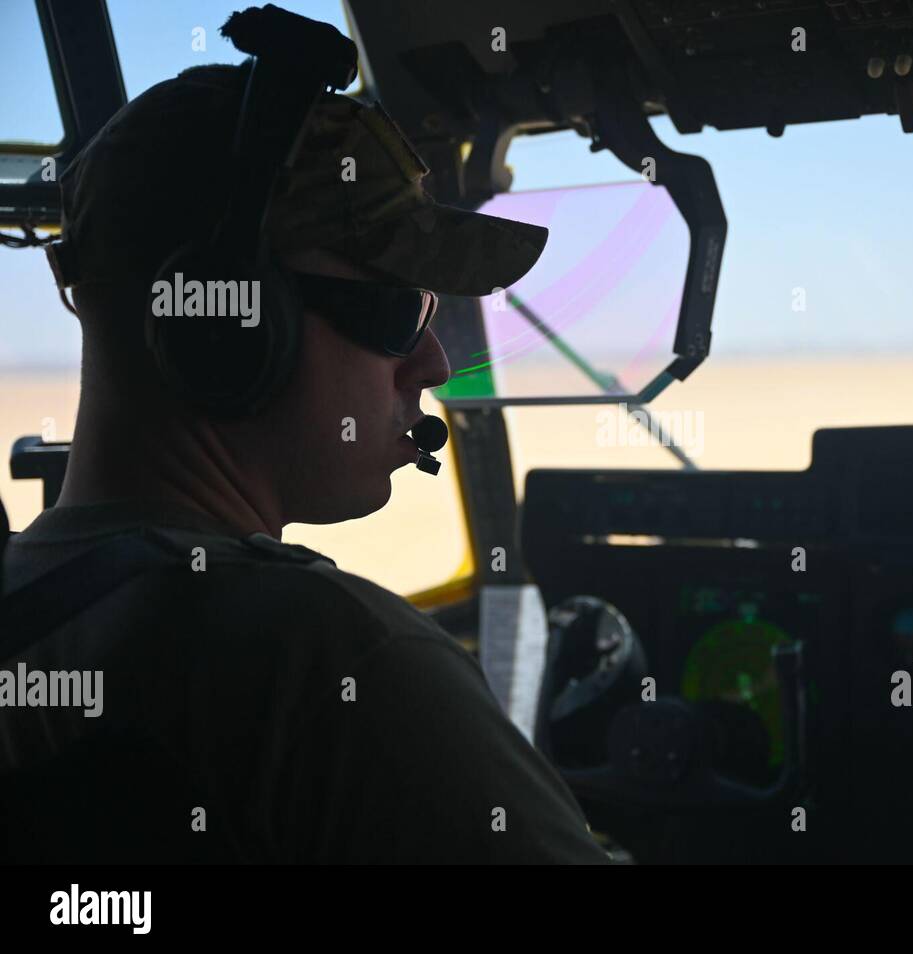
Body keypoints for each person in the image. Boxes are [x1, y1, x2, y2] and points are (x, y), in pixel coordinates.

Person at [0, 61, 610, 863]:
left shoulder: (28, 610)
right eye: (397, 310)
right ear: (228, 332)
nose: (431, 364)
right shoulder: (340, 662)